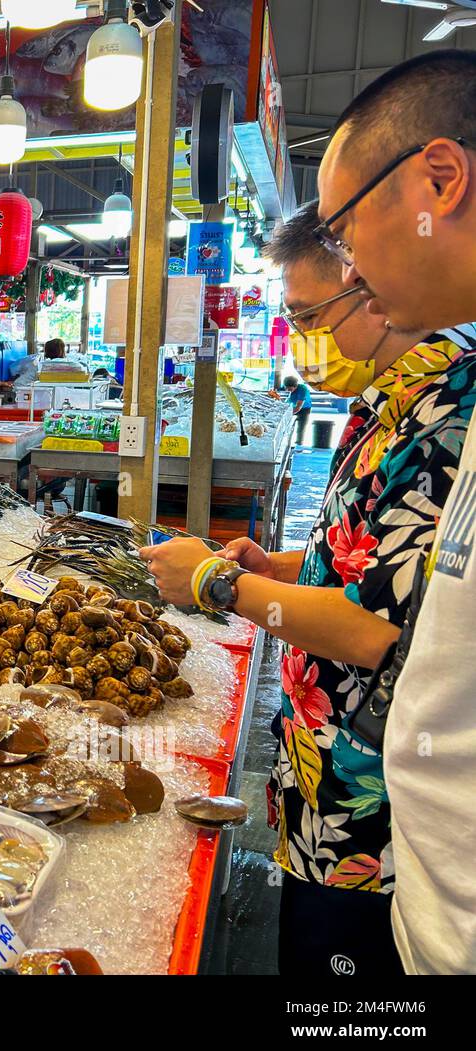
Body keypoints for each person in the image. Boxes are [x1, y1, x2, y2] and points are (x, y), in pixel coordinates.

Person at [138, 201, 476, 977]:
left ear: (374, 289)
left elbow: (369, 628)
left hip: (370, 814)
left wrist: (215, 581)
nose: (300, 340)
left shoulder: (445, 421)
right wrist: (278, 568)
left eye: (307, 314)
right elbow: (374, 565)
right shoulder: (382, 405)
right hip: (316, 779)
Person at [317, 48, 476, 975]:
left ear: (440, 179)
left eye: (344, 228)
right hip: (429, 916)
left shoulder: (445, 403)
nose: (348, 265)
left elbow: (383, 630)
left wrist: (223, 583)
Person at [283, 375, 312, 446]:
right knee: (288, 427)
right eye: (286, 388)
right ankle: (287, 443)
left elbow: (298, 407)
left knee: (301, 428)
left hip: (304, 409)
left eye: (290, 389)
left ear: (295, 387)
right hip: (291, 407)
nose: (287, 391)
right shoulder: (284, 387)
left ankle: (299, 444)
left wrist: (287, 415)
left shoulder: (303, 389)